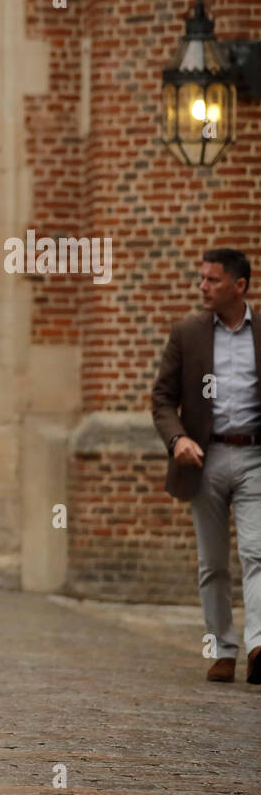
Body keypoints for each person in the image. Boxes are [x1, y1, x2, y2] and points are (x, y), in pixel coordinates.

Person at [152, 248, 261, 685]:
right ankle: (223, 650)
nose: (203, 287)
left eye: (212, 280)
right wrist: (177, 440)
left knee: (257, 553)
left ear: (240, 286)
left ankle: (258, 645)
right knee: (213, 562)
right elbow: (162, 398)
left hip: (255, 456)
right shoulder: (188, 332)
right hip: (205, 458)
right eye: (202, 279)